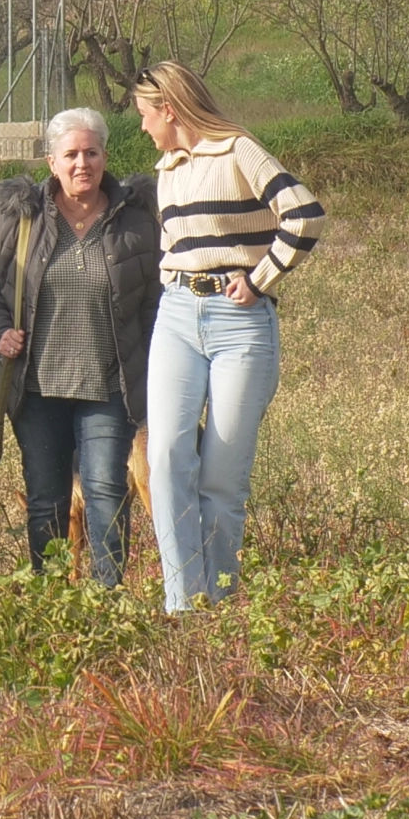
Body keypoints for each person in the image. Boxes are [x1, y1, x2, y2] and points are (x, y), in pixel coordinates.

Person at [133, 60, 325, 613]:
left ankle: (217, 605)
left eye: (147, 115)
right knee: (167, 458)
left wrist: (261, 279)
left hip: (239, 325)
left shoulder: (239, 149)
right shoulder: (167, 165)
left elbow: (305, 215)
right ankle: (182, 607)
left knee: (220, 476)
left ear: (169, 109)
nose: (143, 126)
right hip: (175, 315)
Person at [0, 107, 160, 581]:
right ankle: (51, 603)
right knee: (45, 502)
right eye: (70, 154)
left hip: (111, 387)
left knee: (106, 495)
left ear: (105, 156)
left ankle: (108, 605)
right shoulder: (21, 217)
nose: (82, 164)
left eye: (91, 153)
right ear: (51, 161)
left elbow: (158, 300)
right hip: (36, 389)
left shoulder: (136, 221)